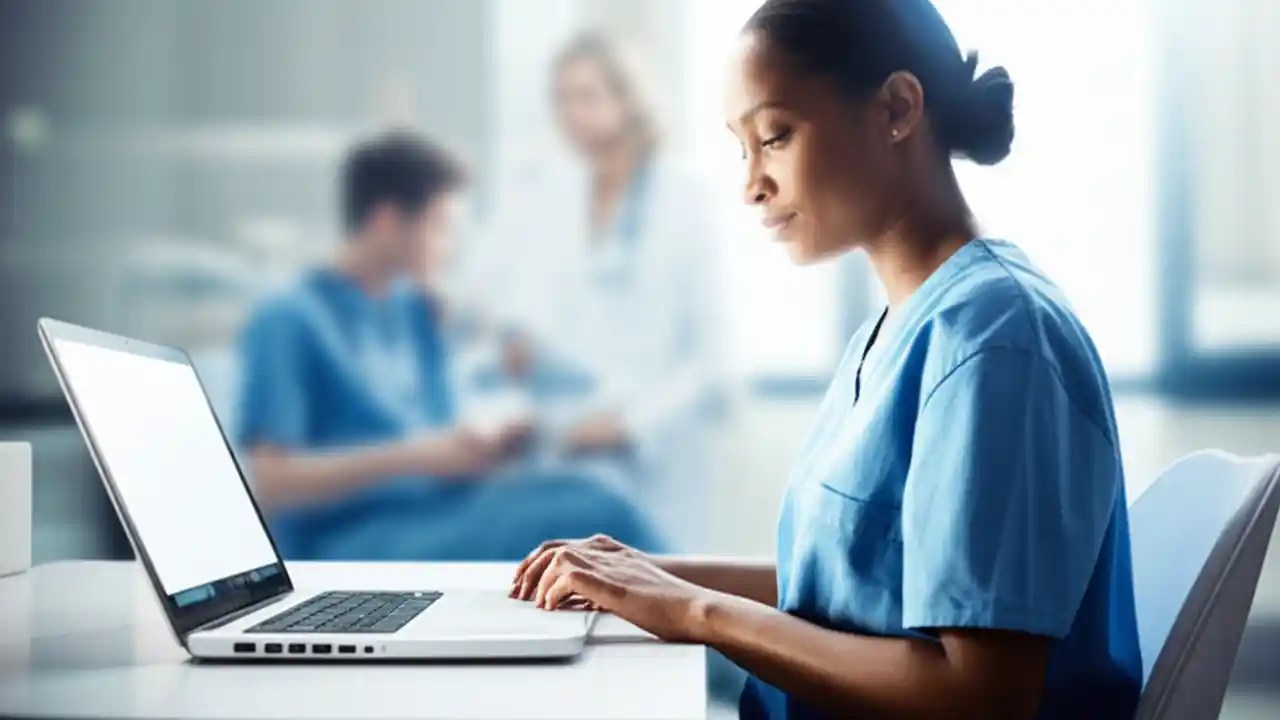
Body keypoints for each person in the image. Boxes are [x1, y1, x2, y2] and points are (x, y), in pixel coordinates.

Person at [508, 1, 1142, 718]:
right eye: (739, 148)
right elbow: (845, 591)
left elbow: (980, 695)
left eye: (774, 136)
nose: (751, 183)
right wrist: (638, 574)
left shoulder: (998, 343)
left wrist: (693, 613)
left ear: (899, 108)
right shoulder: (899, 326)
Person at [236, 130, 660, 561]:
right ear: (386, 221)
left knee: (592, 490)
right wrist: (418, 456)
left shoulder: (410, 311)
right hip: (351, 542)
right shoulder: (289, 319)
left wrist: (489, 445)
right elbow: (272, 483)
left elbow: (444, 440)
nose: (450, 246)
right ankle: (702, 618)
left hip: (440, 511)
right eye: (440, 226)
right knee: (602, 517)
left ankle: (697, 612)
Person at [467, 32, 725, 549]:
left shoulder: (685, 198)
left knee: (655, 592)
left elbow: (710, 356)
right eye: (560, 99)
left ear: (628, 99)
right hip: (563, 442)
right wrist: (511, 342)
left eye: (586, 97)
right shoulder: (545, 193)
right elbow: (493, 298)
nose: (570, 114)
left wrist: (629, 424)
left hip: (655, 448)